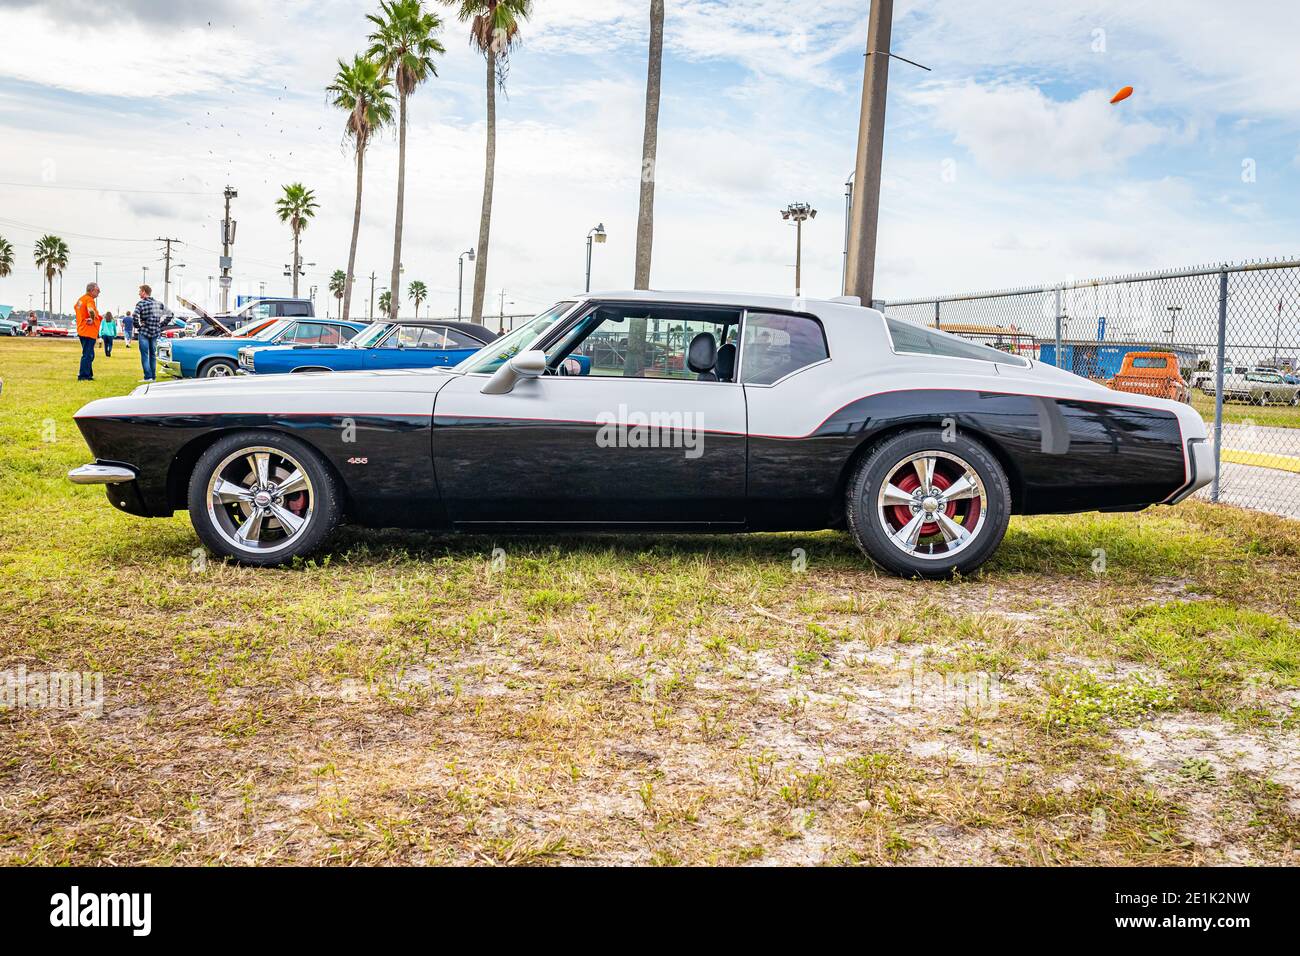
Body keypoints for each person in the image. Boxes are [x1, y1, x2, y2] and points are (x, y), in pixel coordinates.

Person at [131, 284, 164, 382]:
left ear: (144, 292)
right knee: (153, 355)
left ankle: (148, 377)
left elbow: (134, 315)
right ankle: (153, 377)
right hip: (155, 331)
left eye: (140, 291)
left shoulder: (140, 304)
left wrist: (138, 326)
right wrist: (160, 325)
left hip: (144, 332)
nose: (139, 293)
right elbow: (170, 314)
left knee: (145, 355)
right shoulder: (159, 304)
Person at [74, 282, 103, 381]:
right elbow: (90, 310)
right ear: (91, 290)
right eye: (97, 290)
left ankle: (88, 375)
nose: (99, 292)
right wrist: (91, 318)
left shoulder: (80, 300)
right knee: (87, 354)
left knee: (89, 354)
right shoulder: (89, 300)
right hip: (88, 331)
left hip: (82, 329)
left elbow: (77, 309)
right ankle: (83, 376)